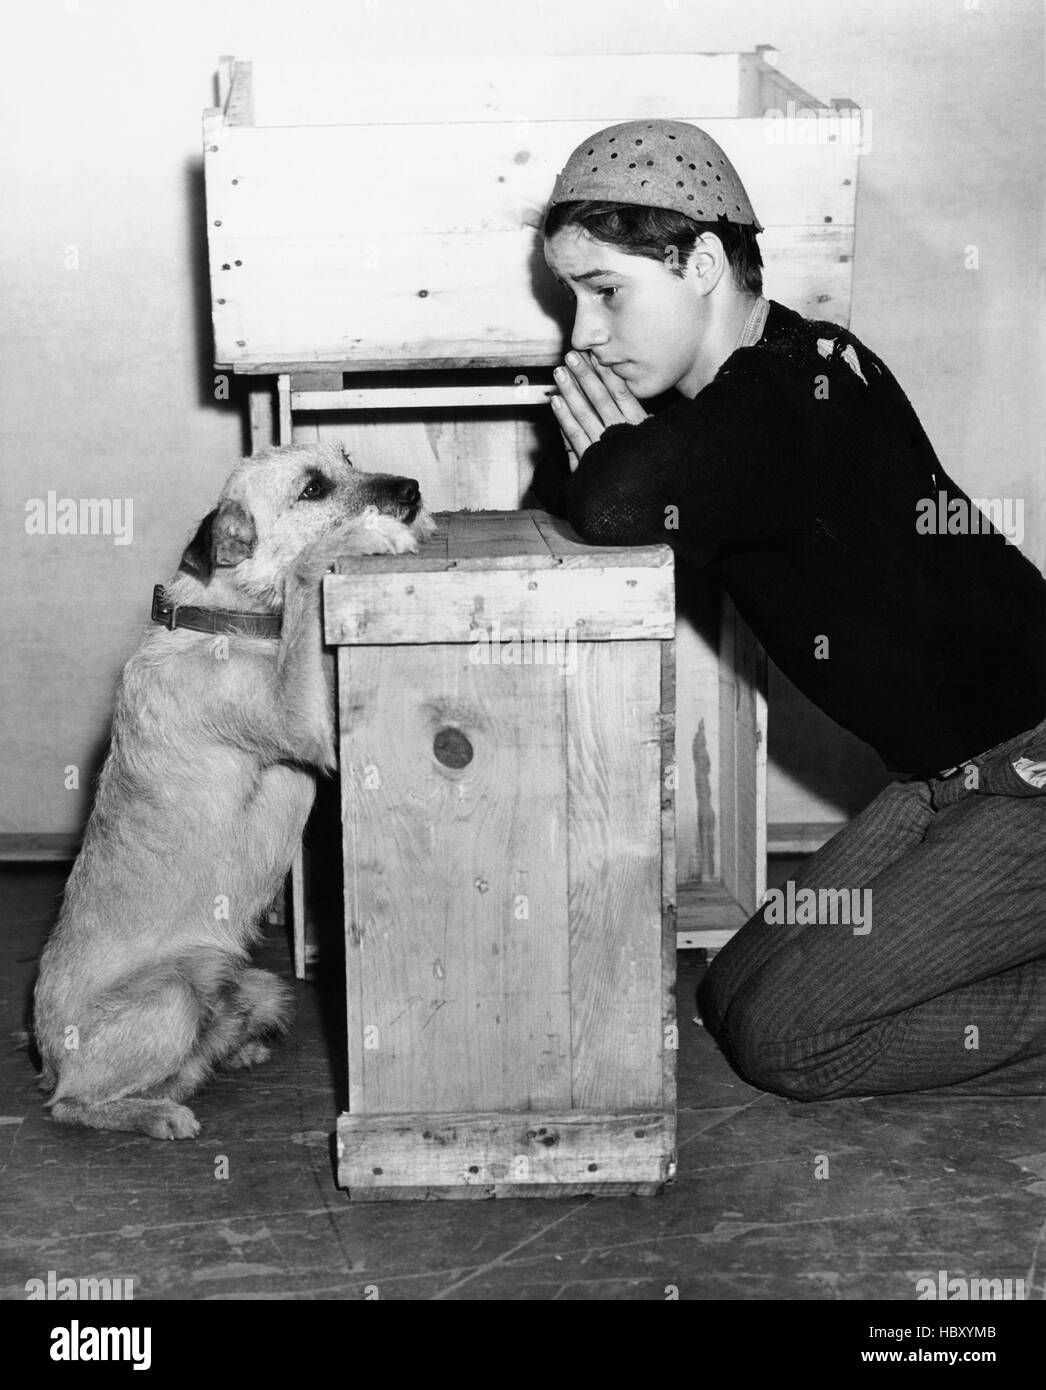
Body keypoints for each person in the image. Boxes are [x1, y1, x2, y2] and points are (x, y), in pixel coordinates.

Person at [533, 118, 1046, 1099]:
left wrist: (603, 455)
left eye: (604, 293)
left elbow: (613, 502)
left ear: (700, 261)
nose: (582, 335)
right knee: (731, 989)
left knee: (786, 1039)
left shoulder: (785, 393)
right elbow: (619, 494)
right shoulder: (788, 369)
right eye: (572, 299)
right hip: (949, 772)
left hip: (1026, 769)